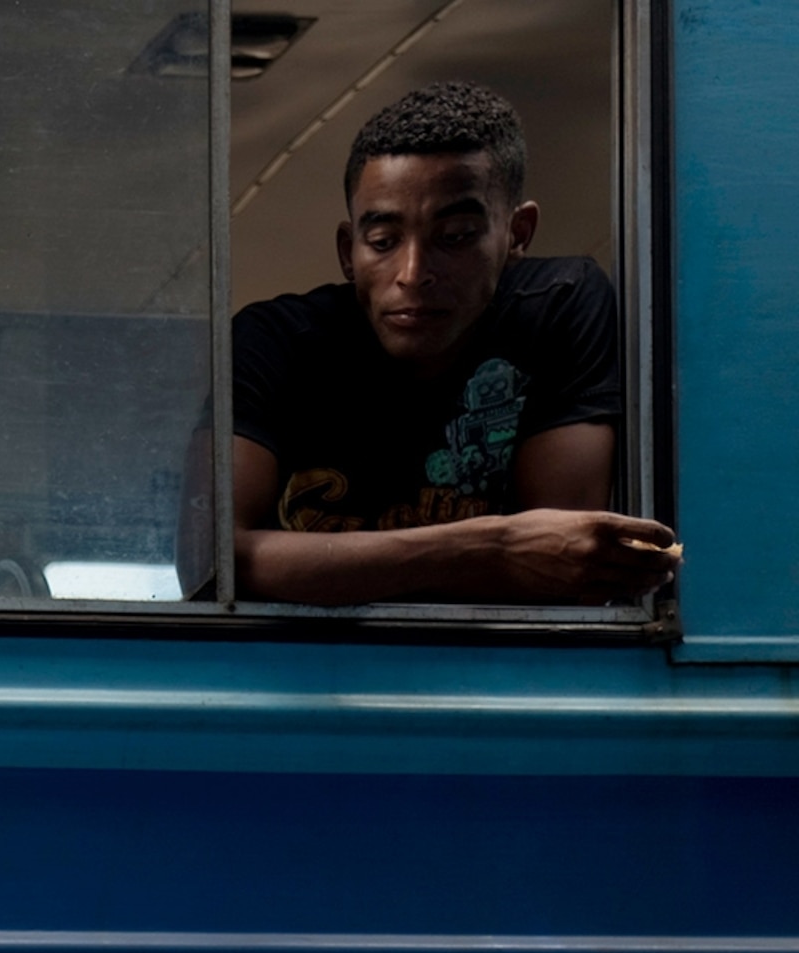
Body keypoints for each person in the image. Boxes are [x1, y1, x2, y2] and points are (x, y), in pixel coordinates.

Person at [231, 79, 675, 606]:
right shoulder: (275, 343)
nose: (413, 273)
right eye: (383, 242)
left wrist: (327, 570)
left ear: (517, 234)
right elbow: (219, 565)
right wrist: (493, 547)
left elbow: (566, 572)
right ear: (349, 252)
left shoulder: (559, 307)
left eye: (457, 236)